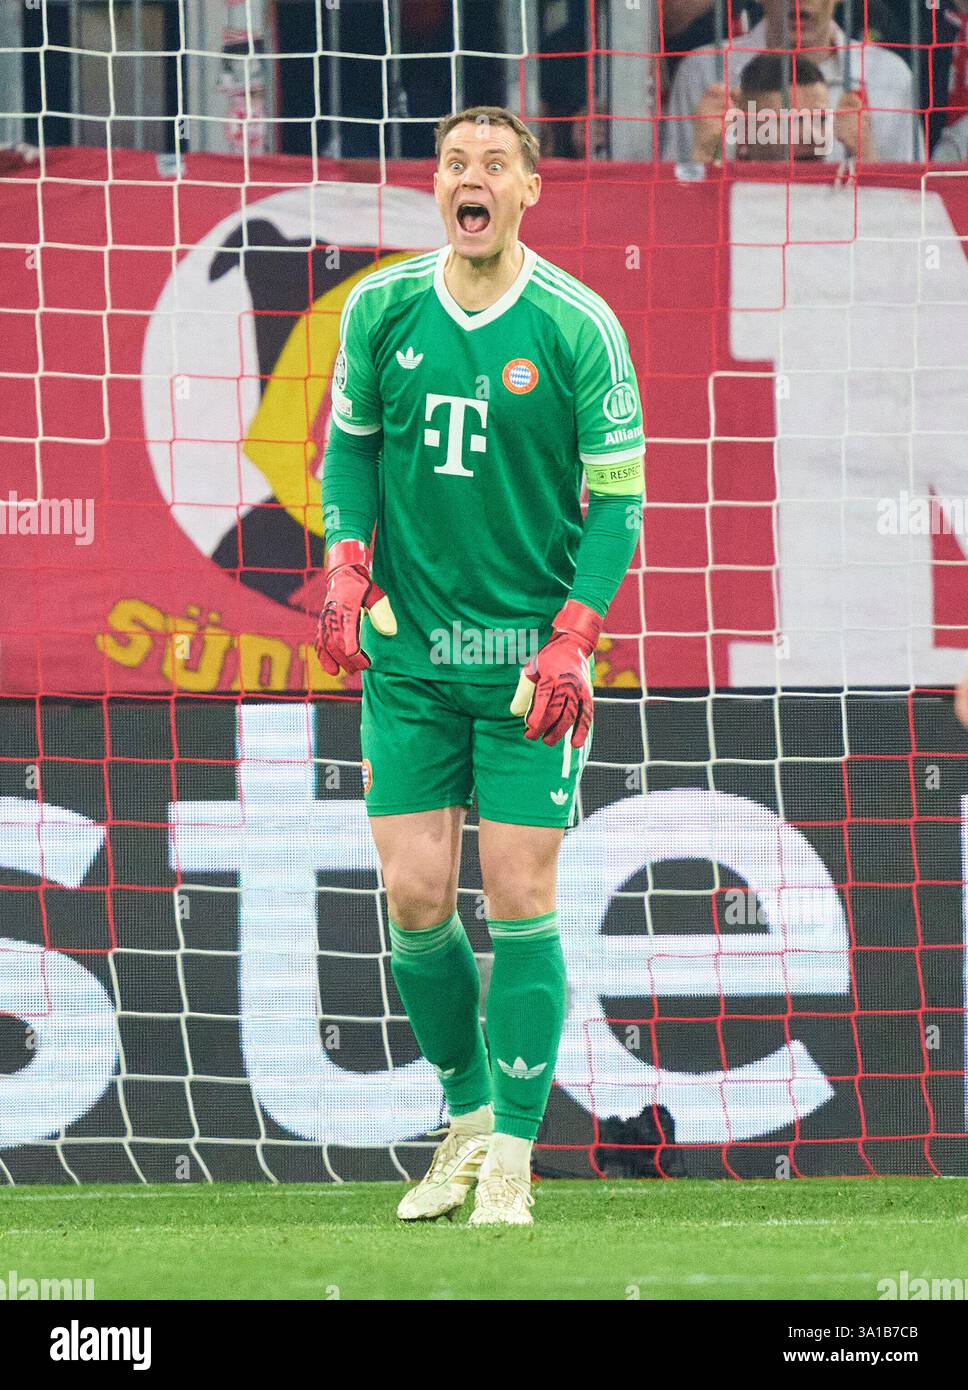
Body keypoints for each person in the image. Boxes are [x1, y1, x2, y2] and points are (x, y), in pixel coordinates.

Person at [315, 105, 644, 1226]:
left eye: (493, 164)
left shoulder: (575, 326)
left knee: (520, 895)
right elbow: (348, 450)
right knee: (412, 896)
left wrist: (572, 636)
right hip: (411, 655)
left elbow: (617, 502)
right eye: (455, 162)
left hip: (523, 671)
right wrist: (347, 560)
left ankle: (512, 1149)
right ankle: (463, 1118)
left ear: (527, 190)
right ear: (440, 187)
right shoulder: (380, 306)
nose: (472, 177)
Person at [662, 0, 922, 164]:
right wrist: (701, 154)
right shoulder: (705, 71)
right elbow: (675, 203)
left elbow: (910, 208)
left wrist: (865, 155)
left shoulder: (889, 76)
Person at [689, 52, 872, 162]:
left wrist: (866, 154)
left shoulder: (846, 187)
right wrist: (702, 153)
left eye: (820, 119)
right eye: (790, 121)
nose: (814, 136)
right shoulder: (720, 188)